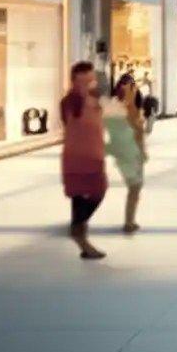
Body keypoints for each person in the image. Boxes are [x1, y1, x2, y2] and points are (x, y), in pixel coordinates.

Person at [61, 61, 107, 260]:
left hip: (95, 154)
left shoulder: (96, 100)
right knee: (79, 197)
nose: (88, 84)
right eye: (83, 81)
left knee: (99, 191)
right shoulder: (70, 102)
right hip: (77, 156)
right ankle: (82, 239)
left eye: (90, 80)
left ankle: (78, 230)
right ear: (74, 81)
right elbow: (68, 121)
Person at [104, 76, 147, 234]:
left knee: (135, 187)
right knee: (134, 187)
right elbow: (134, 132)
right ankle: (129, 222)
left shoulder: (128, 106)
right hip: (128, 152)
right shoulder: (119, 108)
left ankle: (130, 220)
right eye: (127, 88)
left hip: (130, 151)